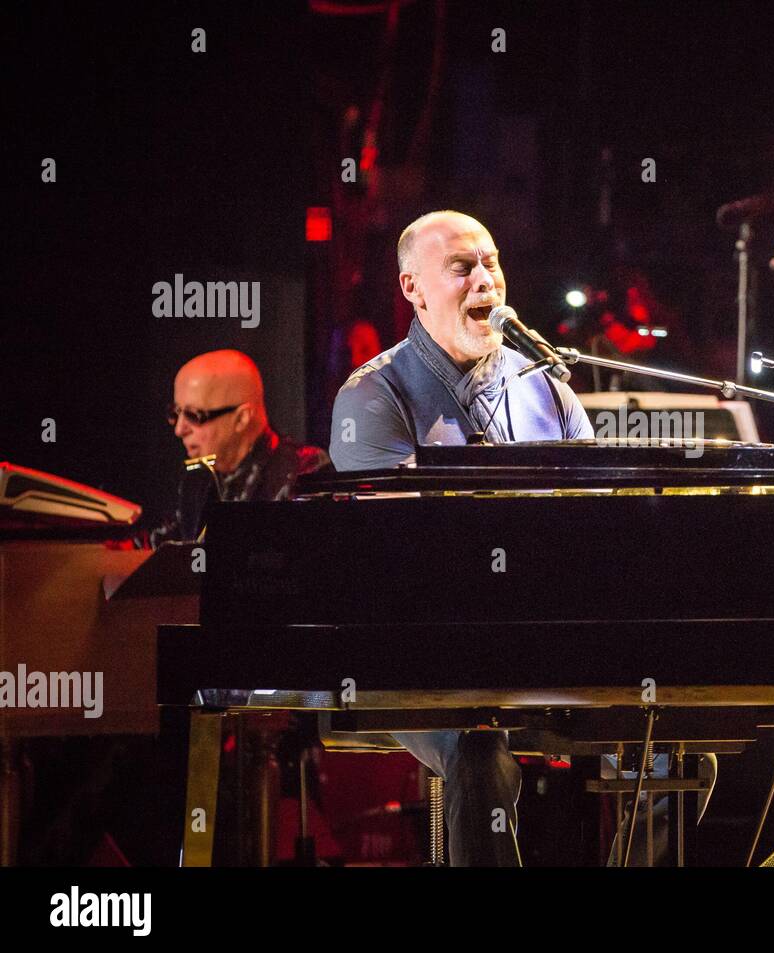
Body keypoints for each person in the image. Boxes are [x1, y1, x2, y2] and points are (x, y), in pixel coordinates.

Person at [330, 210, 592, 865]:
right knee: (479, 754)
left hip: (539, 646)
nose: (485, 281)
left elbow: (597, 527)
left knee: (683, 742)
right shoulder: (372, 397)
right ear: (412, 288)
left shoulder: (550, 389)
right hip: (416, 655)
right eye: (461, 268)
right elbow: (400, 558)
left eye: (491, 263)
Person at [153, 349, 329, 544]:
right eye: (175, 413)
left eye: (194, 415)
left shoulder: (303, 471)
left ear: (242, 418)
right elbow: (163, 544)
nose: (179, 429)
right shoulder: (200, 478)